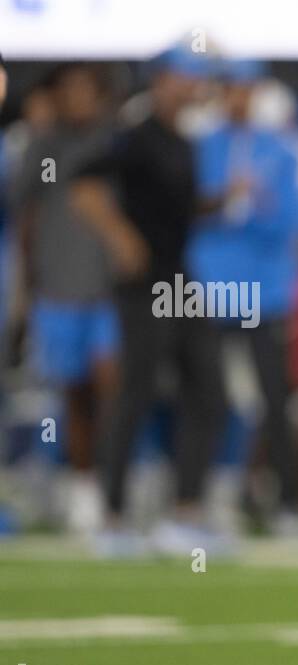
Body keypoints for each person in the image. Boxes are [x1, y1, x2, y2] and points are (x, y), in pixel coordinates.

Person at [71, 45, 226, 556]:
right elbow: (83, 185)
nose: (193, 86)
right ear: (160, 81)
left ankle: (185, 514)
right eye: (185, 77)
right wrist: (120, 238)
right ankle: (110, 517)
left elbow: (176, 210)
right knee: (134, 394)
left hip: (179, 280)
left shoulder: (184, 142)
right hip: (144, 287)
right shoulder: (135, 135)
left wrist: (220, 202)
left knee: (208, 389)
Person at [187, 59, 298, 532]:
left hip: (265, 290)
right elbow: (187, 211)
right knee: (205, 396)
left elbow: (289, 222)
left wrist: (251, 204)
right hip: (211, 285)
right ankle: (200, 499)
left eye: (246, 89)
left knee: (275, 397)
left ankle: (290, 504)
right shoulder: (200, 147)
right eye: (230, 89)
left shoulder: (284, 150)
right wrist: (224, 203)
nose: (238, 98)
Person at [9, 63, 119, 534]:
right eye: (68, 90)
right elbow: (27, 219)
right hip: (58, 287)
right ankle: (82, 489)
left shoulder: (118, 143)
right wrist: (26, 288)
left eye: (85, 90)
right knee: (72, 395)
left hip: (110, 289)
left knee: (111, 388)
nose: (77, 99)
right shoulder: (42, 146)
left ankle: (113, 486)